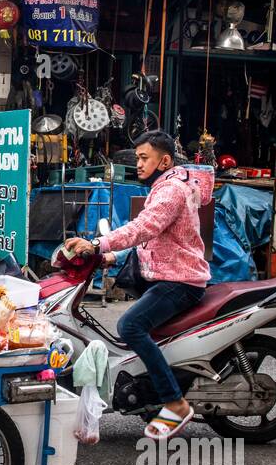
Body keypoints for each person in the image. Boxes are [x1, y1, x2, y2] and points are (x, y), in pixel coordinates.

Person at [64, 131, 211, 441]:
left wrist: (97, 243)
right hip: (164, 274)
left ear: (165, 160)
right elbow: (154, 239)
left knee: (130, 326)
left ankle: (175, 402)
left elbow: (143, 228)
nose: (139, 164)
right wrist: (112, 254)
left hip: (180, 281)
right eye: (138, 157)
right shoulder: (167, 185)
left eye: (145, 158)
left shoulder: (171, 190)